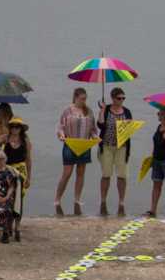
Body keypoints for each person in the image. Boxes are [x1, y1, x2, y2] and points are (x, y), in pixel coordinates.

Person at [54, 88, 94, 217]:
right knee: (67, 173)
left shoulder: (88, 111)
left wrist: (95, 137)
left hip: (84, 144)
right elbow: (61, 127)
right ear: (75, 97)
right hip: (70, 144)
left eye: (85, 99)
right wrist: (61, 135)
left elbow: (93, 129)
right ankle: (57, 199)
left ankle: (77, 199)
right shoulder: (68, 111)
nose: (84, 101)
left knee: (81, 173)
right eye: (82, 98)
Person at [96, 85, 133, 217]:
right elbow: (100, 125)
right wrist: (102, 110)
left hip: (122, 147)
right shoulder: (106, 110)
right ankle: (103, 201)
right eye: (119, 98)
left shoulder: (127, 112)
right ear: (113, 98)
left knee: (122, 175)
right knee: (106, 175)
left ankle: (121, 202)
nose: (121, 100)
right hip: (106, 145)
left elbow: (130, 128)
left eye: (123, 98)